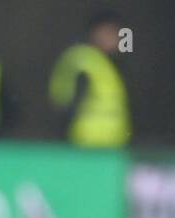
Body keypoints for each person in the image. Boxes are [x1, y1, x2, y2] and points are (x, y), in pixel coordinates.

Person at [50, 10, 131, 147]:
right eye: (109, 33)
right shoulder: (84, 61)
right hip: (83, 145)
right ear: (95, 33)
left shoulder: (112, 65)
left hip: (112, 146)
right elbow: (68, 106)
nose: (115, 39)